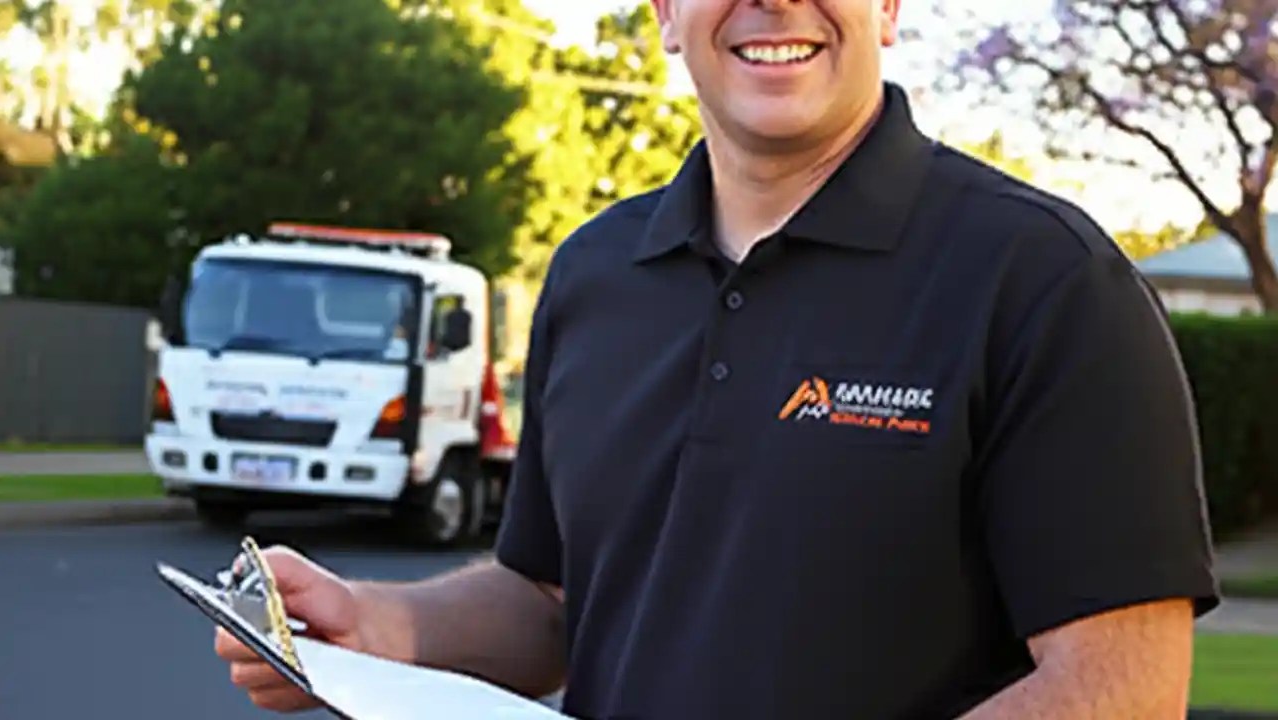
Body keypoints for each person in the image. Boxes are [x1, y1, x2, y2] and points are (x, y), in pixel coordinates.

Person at [215, 1, 1220, 717]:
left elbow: (1119, 688)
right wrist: (369, 624)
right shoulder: (594, 274)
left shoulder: (1044, 280)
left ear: (888, 7)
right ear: (660, 13)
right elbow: (553, 601)